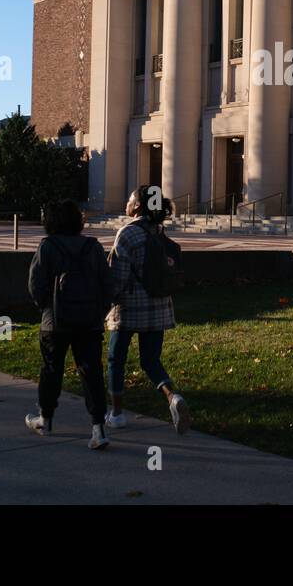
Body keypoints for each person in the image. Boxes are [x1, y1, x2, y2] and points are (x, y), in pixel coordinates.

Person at [25, 199, 113, 449]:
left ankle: (46, 418)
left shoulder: (48, 247)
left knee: (52, 369)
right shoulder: (93, 246)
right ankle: (98, 428)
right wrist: (100, 309)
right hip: (90, 322)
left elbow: (35, 285)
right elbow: (107, 283)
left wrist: (46, 308)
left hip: (55, 322)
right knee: (91, 372)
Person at [105, 185, 190, 434]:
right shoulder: (159, 231)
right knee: (151, 361)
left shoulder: (128, 234)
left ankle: (117, 413)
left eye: (130, 200)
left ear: (138, 206)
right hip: (160, 306)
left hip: (129, 308)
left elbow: (117, 277)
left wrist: (106, 300)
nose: (126, 203)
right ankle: (173, 397)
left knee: (115, 359)